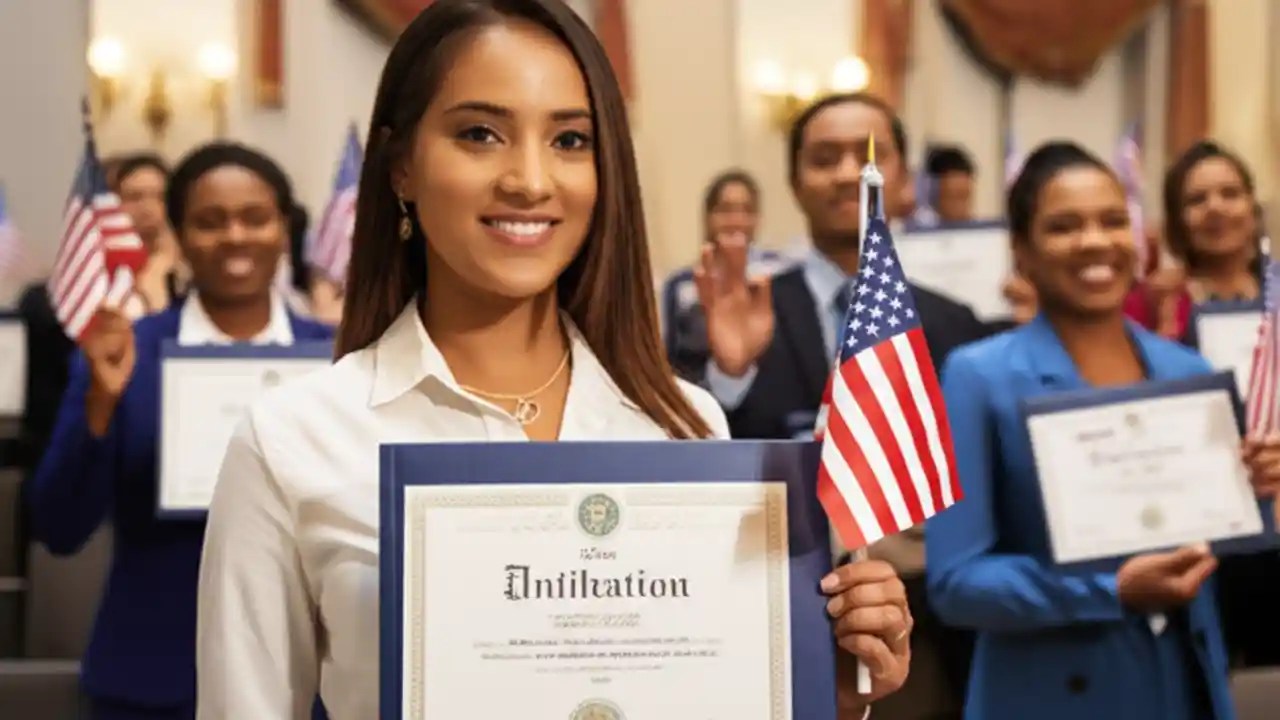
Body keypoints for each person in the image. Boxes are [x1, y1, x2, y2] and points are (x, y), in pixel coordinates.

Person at [194, 2, 911, 719]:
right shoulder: (296, 439)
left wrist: (827, 690)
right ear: (402, 166)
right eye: (480, 134)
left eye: (570, 139)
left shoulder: (683, 425)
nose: (531, 180)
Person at [925, 141, 1280, 719]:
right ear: (1021, 251)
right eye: (1064, 226)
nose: (1095, 241)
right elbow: (956, 582)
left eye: (1113, 221)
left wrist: (1261, 492)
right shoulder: (979, 377)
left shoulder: (1188, 373)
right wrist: (1110, 591)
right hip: (1050, 693)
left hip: (1184, 684)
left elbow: (1227, 543)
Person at [689, 91, 984, 718]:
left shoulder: (954, 322)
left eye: (868, 154)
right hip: (771, 606)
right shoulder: (738, 304)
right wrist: (731, 373)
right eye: (825, 157)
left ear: (901, 174)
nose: (850, 171)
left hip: (926, 621)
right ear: (795, 180)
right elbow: (689, 452)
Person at [25, 142, 334, 720]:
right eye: (209, 222)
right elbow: (59, 527)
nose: (235, 237)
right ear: (179, 234)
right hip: (152, 677)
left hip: (310, 679)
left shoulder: (336, 359)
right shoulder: (126, 353)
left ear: (284, 227)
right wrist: (101, 401)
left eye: (255, 218)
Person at [1125, 141, 1264, 341]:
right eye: (1197, 200)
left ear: (1253, 209)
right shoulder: (1151, 302)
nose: (1215, 208)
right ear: (1177, 221)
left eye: (1230, 194)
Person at [661, 169, 791, 381]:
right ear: (708, 216)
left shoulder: (778, 273)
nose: (736, 221)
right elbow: (671, 360)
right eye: (726, 210)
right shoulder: (681, 285)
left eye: (746, 211)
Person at [111, 153, 189, 314]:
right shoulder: (96, 266)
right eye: (134, 197)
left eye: (160, 197)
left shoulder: (193, 264)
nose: (148, 208)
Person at [925, 145, 976, 224]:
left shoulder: (979, 233)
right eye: (953, 197)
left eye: (965, 197)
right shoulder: (918, 233)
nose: (960, 208)